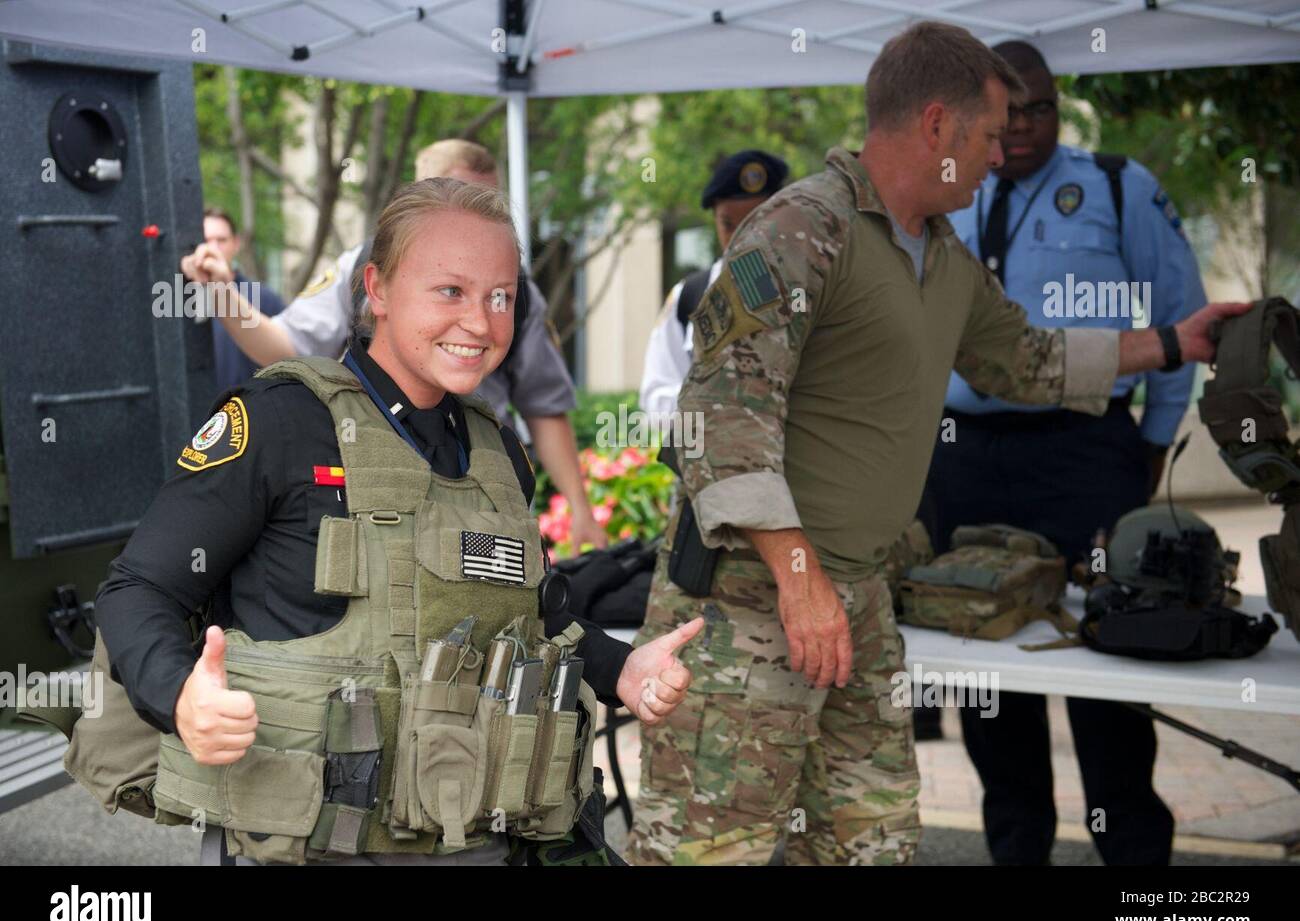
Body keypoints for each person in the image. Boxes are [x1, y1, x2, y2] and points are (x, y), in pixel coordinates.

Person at [624, 20, 1247, 867]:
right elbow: (719, 419)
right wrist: (802, 579)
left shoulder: (945, 259)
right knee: (711, 847)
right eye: (990, 134)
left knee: (868, 842)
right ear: (936, 127)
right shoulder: (805, 228)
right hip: (749, 599)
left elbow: (1029, 358)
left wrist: (1177, 342)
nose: (1000, 155)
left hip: (858, 599)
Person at [97, 177, 703, 865]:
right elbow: (137, 587)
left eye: (500, 296)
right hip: (315, 845)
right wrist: (180, 694)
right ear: (377, 290)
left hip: (478, 836)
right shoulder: (282, 425)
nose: (480, 321)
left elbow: (524, 615)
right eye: (450, 290)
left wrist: (621, 668)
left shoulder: (499, 451)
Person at [923, 41, 1206, 866]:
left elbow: (1181, 325)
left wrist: (1150, 448)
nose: (1017, 130)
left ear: (1057, 104)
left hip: (1087, 454)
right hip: (967, 460)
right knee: (984, 668)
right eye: (1000, 116)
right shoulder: (947, 199)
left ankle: (1138, 867)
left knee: (1112, 660)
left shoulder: (1121, 189)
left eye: (1035, 109)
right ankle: (1017, 847)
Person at [180, 139, 608, 552]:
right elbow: (285, 345)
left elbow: (544, 404)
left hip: (476, 481)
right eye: (453, 193)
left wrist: (580, 507)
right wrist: (222, 292)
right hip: (366, 476)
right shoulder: (363, 265)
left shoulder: (516, 291)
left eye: (486, 200)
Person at [639, 149, 788, 419]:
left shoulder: (806, 288)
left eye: (754, 222)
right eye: (729, 224)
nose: (740, 237)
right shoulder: (690, 296)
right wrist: (713, 398)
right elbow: (655, 397)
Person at [203, 208, 286, 394]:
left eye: (221, 240)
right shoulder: (176, 300)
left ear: (236, 243)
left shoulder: (265, 299)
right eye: (206, 240)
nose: (213, 248)